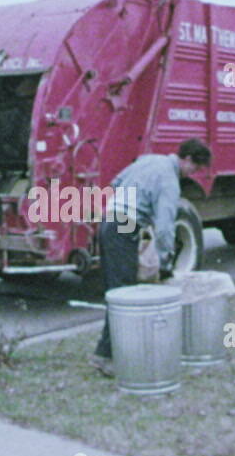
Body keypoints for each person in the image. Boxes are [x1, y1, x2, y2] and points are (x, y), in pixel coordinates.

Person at [90, 138, 212, 376]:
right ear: (186, 159)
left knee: (116, 291)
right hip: (123, 224)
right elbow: (166, 228)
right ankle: (107, 357)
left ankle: (110, 353)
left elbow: (116, 183)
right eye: (194, 169)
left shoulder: (148, 160)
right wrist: (165, 261)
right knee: (124, 294)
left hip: (109, 220)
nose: (193, 174)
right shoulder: (169, 180)